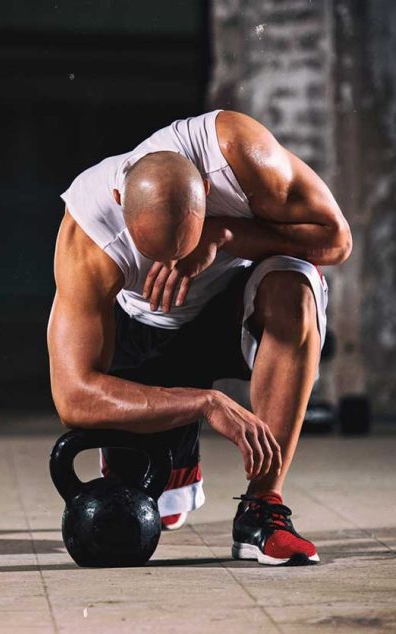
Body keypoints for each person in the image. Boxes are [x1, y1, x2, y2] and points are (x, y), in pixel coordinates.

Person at [47, 110, 351, 566]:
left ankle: (262, 507)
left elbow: (337, 241)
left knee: (296, 286)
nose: (170, 265)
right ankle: (167, 468)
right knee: (155, 506)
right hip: (149, 330)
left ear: (206, 191)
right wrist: (206, 403)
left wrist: (224, 235)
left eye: (181, 248)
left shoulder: (240, 155)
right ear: (118, 199)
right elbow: (73, 397)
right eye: (155, 253)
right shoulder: (89, 231)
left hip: (234, 305)